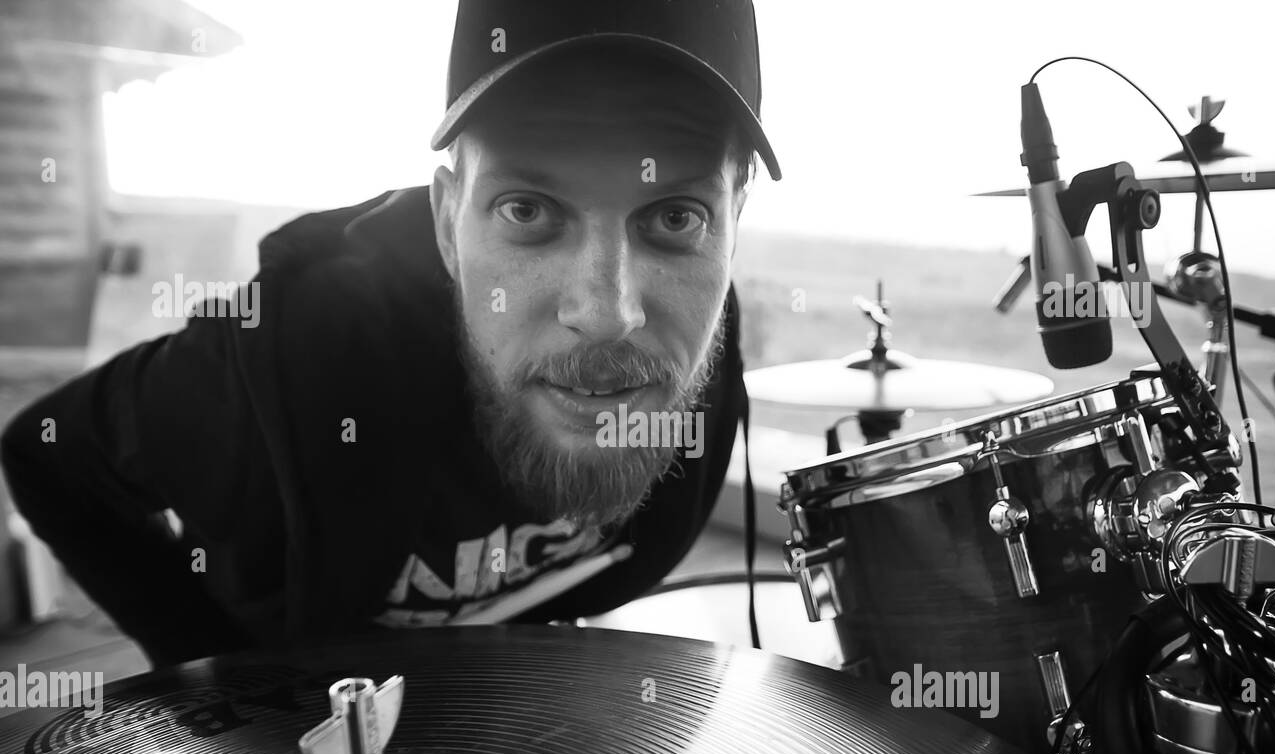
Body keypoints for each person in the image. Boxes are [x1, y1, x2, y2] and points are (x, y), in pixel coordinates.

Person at [0, 0, 782, 667]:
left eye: (676, 218)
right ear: (448, 222)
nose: (609, 312)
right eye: (528, 212)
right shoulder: (298, 347)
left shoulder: (705, 340)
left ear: (733, 224)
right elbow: (48, 450)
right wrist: (222, 678)